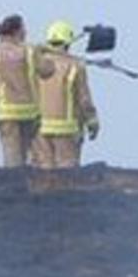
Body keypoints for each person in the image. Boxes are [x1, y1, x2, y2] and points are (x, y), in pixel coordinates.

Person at [0, 14, 53, 168]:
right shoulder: (29, 51)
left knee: (12, 159)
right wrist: (44, 54)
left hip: (6, 116)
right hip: (30, 115)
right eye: (24, 28)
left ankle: (14, 181)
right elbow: (47, 71)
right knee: (36, 157)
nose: (26, 32)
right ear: (17, 31)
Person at [31, 20, 100, 169]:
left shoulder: (35, 66)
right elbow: (84, 99)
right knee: (67, 175)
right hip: (67, 131)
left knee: (42, 172)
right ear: (68, 43)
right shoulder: (75, 66)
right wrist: (92, 121)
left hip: (39, 130)